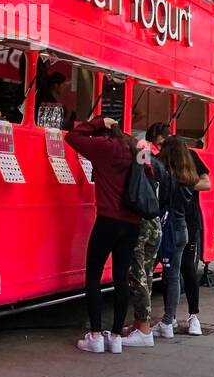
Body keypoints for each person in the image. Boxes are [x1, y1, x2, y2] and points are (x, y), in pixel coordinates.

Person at [67, 116, 145, 354]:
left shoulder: (104, 147)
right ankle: (116, 337)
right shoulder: (136, 148)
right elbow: (152, 172)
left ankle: (96, 335)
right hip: (133, 221)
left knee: (94, 275)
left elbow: (73, 136)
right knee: (121, 277)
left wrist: (99, 121)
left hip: (108, 220)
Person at [122, 123, 170, 346]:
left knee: (138, 274)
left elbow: (134, 185)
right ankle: (142, 322)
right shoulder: (161, 165)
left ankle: (143, 329)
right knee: (147, 274)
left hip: (141, 223)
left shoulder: (142, 158)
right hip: (156, 222)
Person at [156, 138, 200, 337]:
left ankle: (163, 320)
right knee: (175, 275)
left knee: (147, 272)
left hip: (165, 228)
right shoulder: (189, 177)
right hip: (182, 228)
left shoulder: (166, 176)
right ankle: (168, 321)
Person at [181, 146, 214, 334]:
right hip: (170, 220)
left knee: (187, 267)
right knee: (171, 271)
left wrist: (182, 183)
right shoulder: (160, 158)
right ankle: (168, 319)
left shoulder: (190, 156)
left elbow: (206, 183)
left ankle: (193, 315)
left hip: (187, 219)